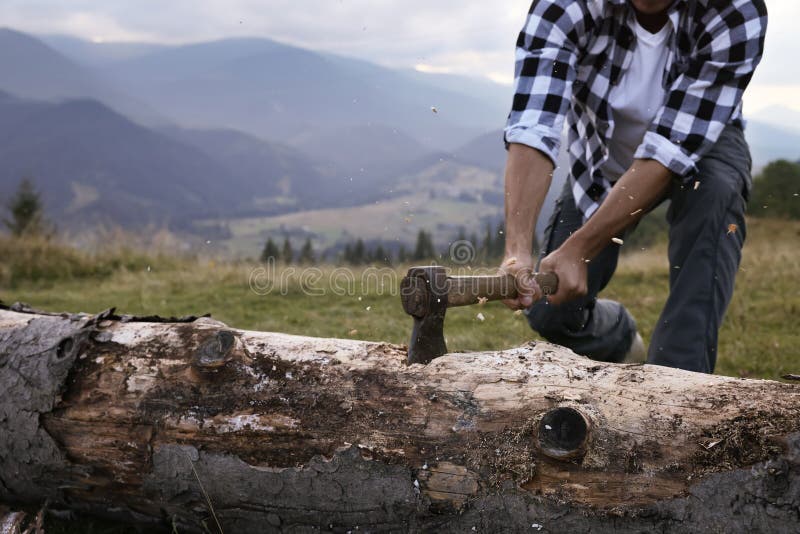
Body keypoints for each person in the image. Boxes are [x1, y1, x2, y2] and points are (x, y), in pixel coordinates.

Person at [500, 0, 767, 373]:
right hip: (601, 156)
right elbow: (534, 124)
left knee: (715, 194)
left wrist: (579, 248)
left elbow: (670, 150)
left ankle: (676, 385)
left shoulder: (735, 10)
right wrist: (516, 251)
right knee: (552, 311)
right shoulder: (566, 6)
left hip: (703, 144)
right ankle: (620, 338)